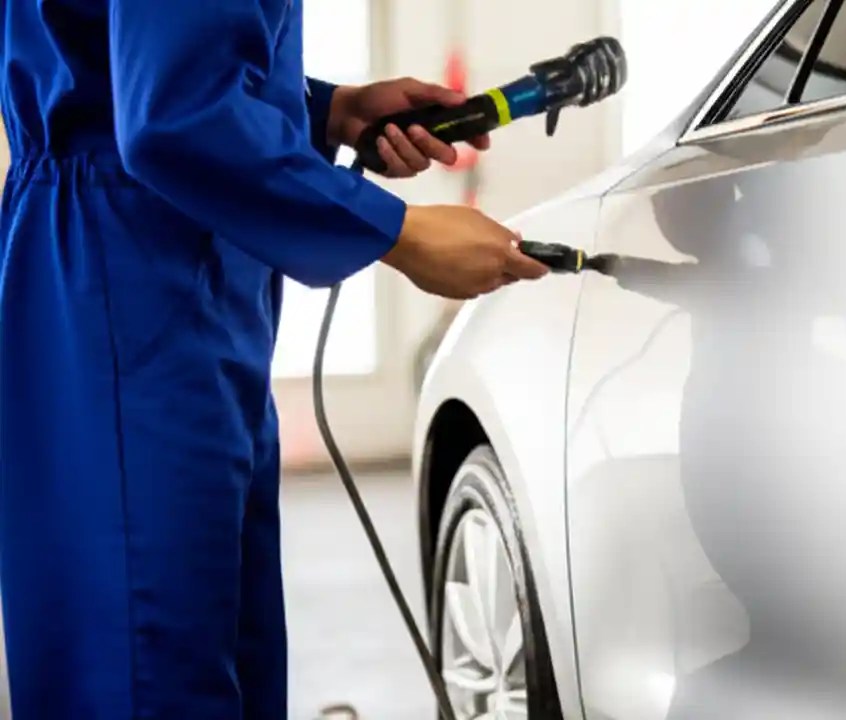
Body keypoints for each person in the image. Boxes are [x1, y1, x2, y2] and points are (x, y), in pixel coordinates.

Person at [0, 0, 549, 718]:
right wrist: (399, 234)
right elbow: (173, 116)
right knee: (149, 658)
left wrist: (324, 110)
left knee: (201, 635)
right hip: (133, 268)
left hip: (152, 257)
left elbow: (138, 61)